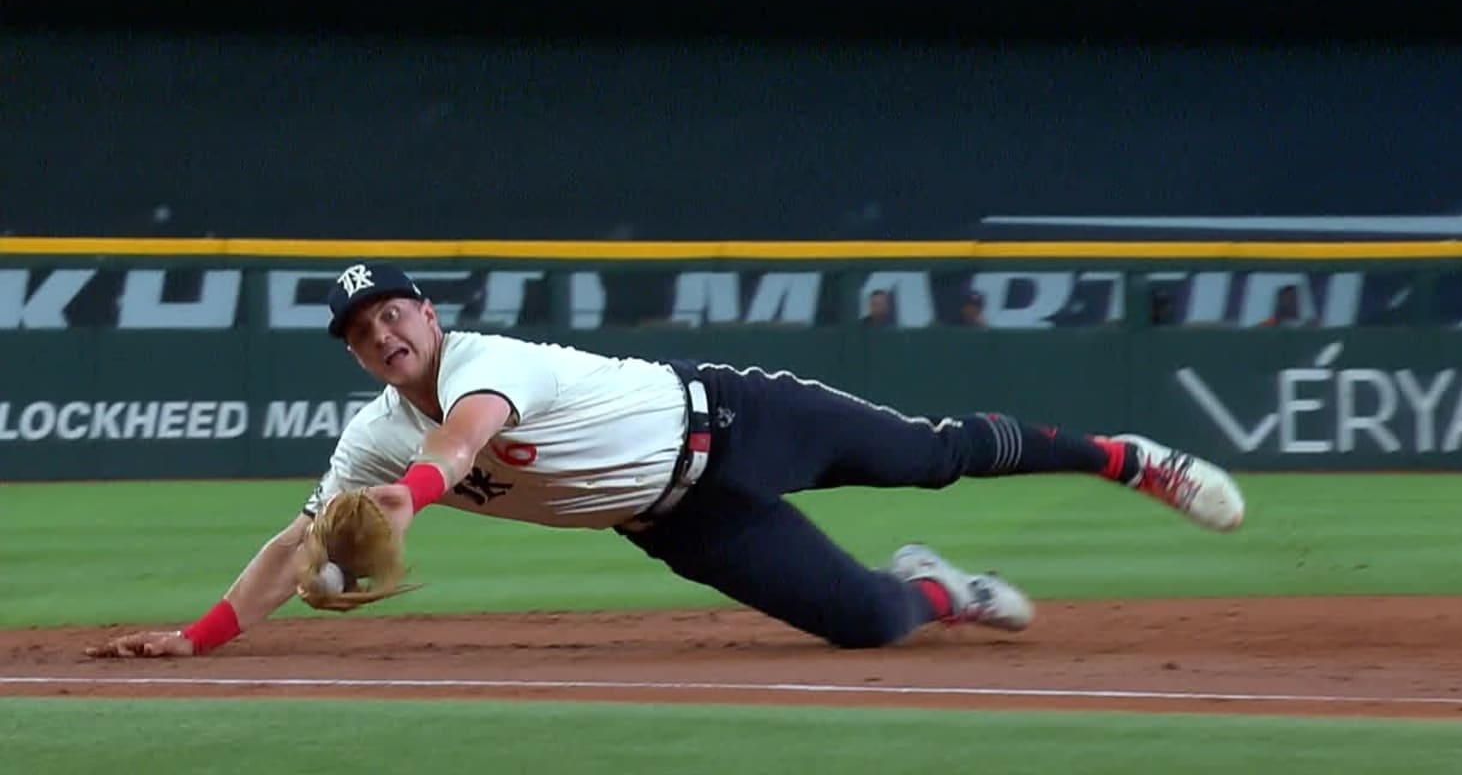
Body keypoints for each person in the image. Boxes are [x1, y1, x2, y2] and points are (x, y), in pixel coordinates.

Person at [87, 262, 1246, 658]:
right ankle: (940, 586)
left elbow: (466, 438)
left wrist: (412, 497)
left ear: (429, 315)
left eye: (395, 313)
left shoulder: (483, 361)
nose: (385, 333)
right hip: (680, 519)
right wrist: (198, 635)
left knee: (934, 456)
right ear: (356, 357)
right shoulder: (373, 437)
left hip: (737, 420)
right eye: (362, 333)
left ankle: (1124, 458)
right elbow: (298, 543)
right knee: (872, 627)